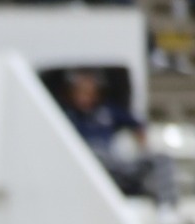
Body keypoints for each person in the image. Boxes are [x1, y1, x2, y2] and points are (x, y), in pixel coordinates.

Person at [61, 71, 175, 204]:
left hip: (114, 163)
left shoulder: (108, 110)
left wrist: (142, 147)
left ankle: (166, 208)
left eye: (89, 91)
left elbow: (137, 125)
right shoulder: (66, 114)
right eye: (81, 91)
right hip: (86, 164)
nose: (85, 96)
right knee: (96, 152)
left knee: (161, 159)